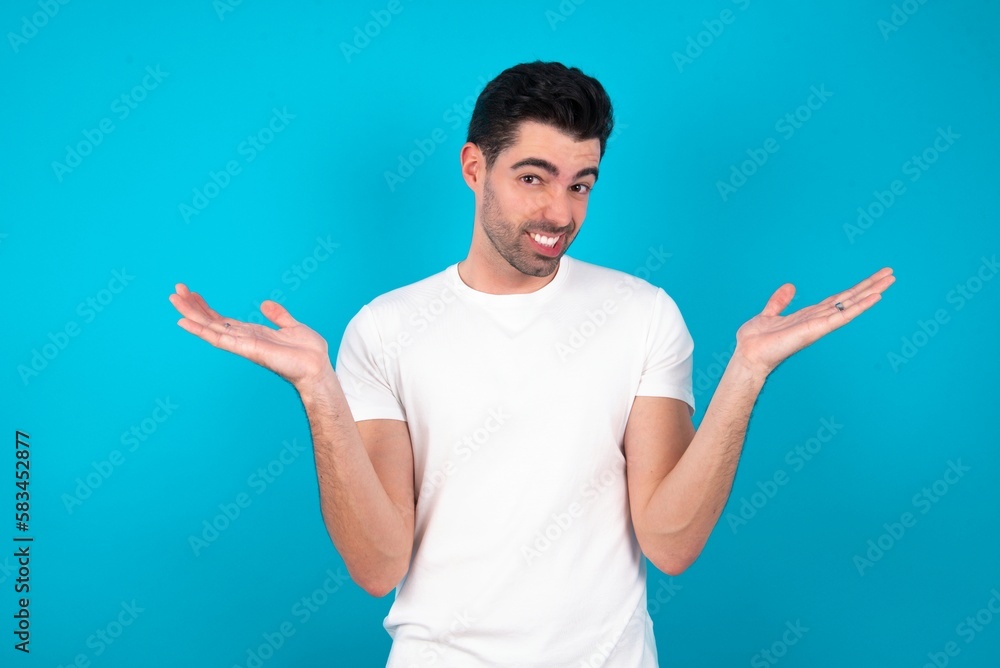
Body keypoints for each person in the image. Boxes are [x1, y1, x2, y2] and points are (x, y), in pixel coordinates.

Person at [169, 61, 895, 666]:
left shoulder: (643, 315)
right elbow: (377, 565)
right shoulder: (383, 329)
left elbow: (670, 543)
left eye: (581, 183)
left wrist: (746, 376)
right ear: (473, 166)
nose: (560, 212)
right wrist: (319, 393)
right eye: (534, 178)